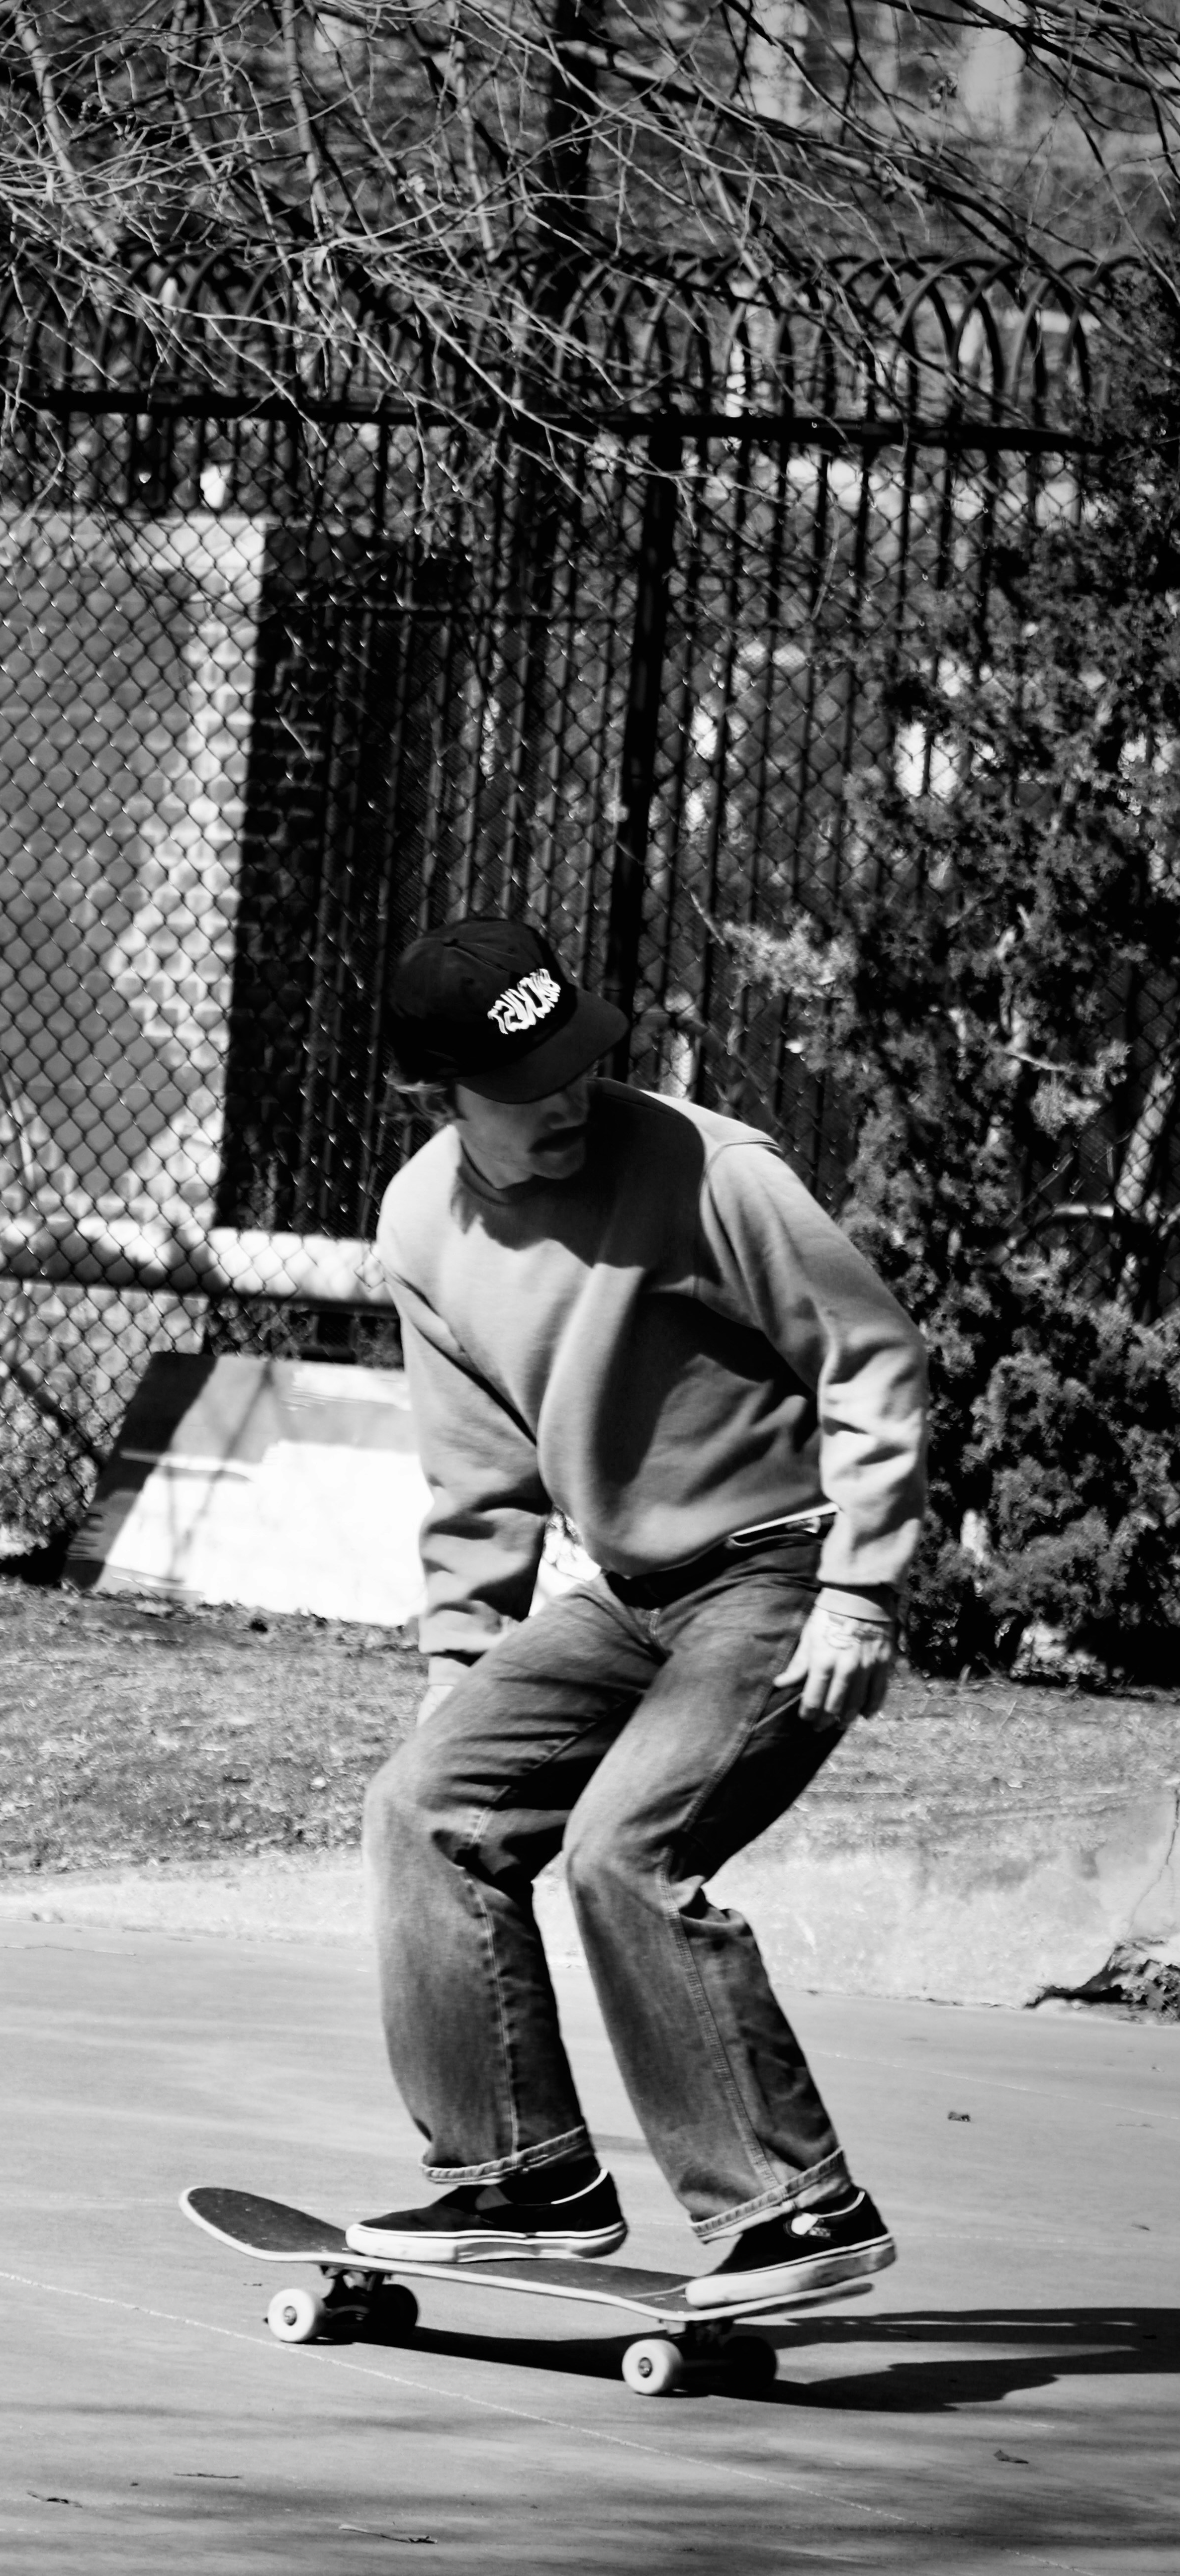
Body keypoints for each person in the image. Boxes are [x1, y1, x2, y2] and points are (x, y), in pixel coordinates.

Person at [347, 916, 927, 2311]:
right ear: (445, 1089)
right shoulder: (423, 1224)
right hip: (632, 1596)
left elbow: (871, 1354)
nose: (568, 1098)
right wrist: (463, 1659)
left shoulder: (709, 1167)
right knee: (425, 1805)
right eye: (527, 1081)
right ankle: (526, 2175)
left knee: (625, 1848)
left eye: (578, 1062)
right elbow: (477, 1469)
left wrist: (861, 1586)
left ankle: (794, 2206)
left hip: (782, 1570)